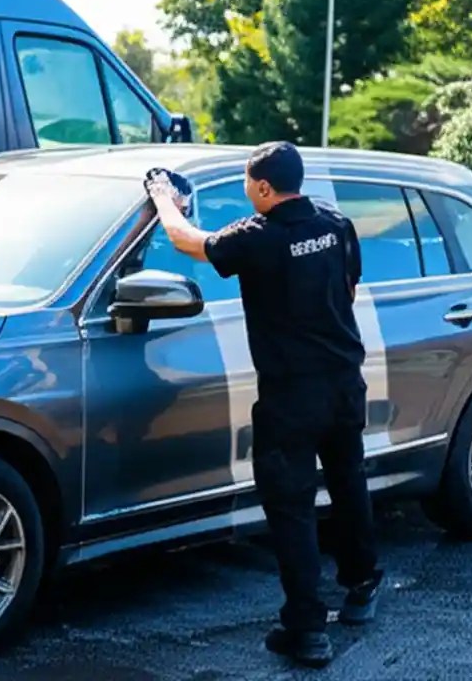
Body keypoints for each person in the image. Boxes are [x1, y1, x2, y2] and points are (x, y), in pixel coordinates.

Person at [144, 142, 384, 669]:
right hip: (344, 382)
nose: (246, 192)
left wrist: (163, 196)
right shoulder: (335, 224)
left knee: (291, 506)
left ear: (264, 187)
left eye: (248, 184)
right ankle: (362, 586)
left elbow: (186, 241)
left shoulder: (258, 236)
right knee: (348, 482)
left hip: (292, 395)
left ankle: (307, 630)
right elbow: (347, 289)